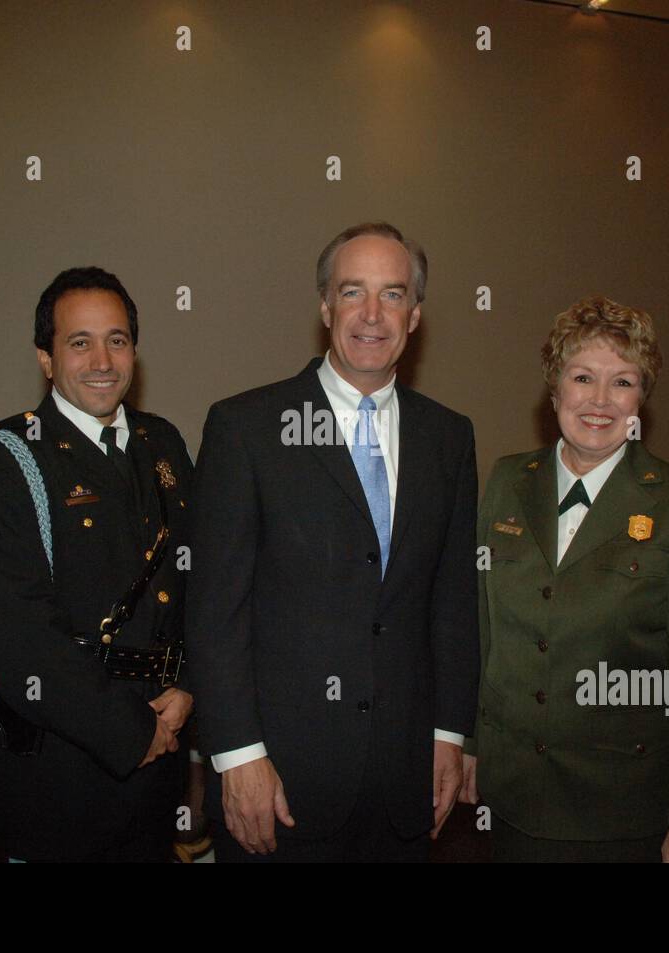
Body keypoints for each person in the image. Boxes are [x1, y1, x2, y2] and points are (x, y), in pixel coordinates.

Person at [185, 222, 479, 862]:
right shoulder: (246, 428)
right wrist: (235, 754)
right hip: (278, 785)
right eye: (352, 292)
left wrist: (451, 734)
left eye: (392, 294)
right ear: (325, 306)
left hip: (406, 786)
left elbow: (454, 602)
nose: (372, 314)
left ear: (416, 314)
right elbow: (213, 613)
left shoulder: (449, 438)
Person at [460, 296, 669, 862]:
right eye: (582, 377)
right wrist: (472, 745)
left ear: (641, 399)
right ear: (554, 389)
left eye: (622, 382)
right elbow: (483, 632)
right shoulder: (508, 480)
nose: (600, 400)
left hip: (620, 805)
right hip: (510, 793)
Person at [0, 267, 193, 862]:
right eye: (79, 342)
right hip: (59, 773)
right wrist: (132, 731)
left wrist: (190, 685)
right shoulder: (4, 456)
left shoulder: (163, 443)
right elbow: (18, 633)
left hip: (161, 769)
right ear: (45, 357)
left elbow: (200, 583)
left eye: (117, 340)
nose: (102, 361)